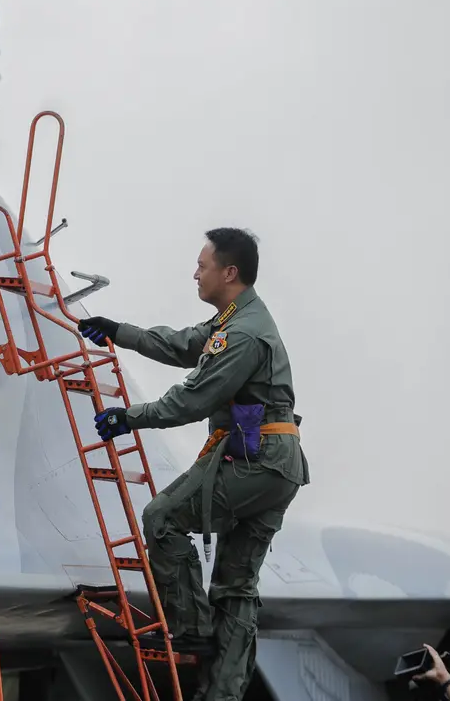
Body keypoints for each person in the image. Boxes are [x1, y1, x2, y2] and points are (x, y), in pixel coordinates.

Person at [77, 227, 309, 701]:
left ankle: (192, 627)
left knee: (162, 518)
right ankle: (222, 693)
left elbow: (194, 399)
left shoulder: (242, 334)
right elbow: (184, 345)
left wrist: (129, 417)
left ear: (229, 272)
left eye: (202, 266)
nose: (195, 274)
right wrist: (118, 332)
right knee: (237, 586)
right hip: (275, 462)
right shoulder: (237, 320)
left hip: (258, 459)